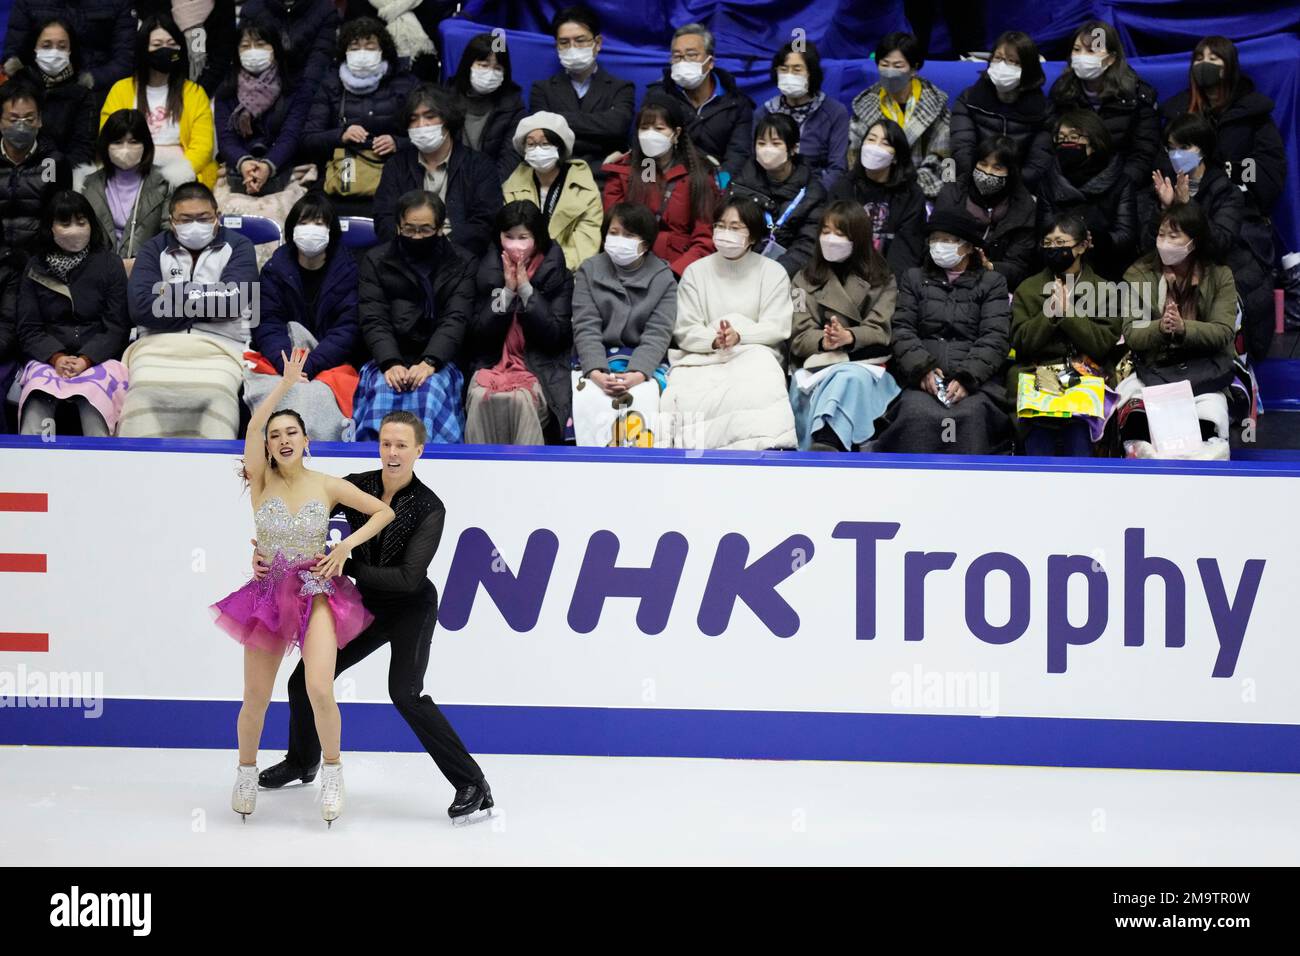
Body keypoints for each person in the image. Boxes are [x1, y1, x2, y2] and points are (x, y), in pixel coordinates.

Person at [256, 409, 497, 826]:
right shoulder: (356, 485)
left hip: (409, 607)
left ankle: (473, 783)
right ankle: (302, 761)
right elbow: (299, 514)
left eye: (402, 445)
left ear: (418, 451)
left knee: (405, 694)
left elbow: (407, 578)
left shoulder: (428, 507)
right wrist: (265, 554)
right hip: (363, 605)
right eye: (386, 443)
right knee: (303, 681)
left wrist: (342, 562)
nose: (392, 452)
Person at [212, 347, 394, 825]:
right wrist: (283, 385)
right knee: (255, 698)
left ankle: (332, 772)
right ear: (268, 446)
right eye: (276, 435)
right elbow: (252, 427)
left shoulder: (327, 484)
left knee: (319, 687)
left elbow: (383, 512)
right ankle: (245, 772)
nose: (282, 439)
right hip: (268, 593)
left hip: (316, 592)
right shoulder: (260, 484)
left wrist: (343, 548)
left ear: (306, 439)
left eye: (292, 432)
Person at [120, 181, 257, 438]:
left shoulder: (239, 246)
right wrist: (210, 298)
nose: (195, 225)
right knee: (142, 392)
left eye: (203, 217)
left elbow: (234, 302)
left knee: (217, 393)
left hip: (221, 348)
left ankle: (214, 468)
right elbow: (140, 307)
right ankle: (139, 467)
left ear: (217, 216)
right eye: (186, 219)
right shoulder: (154, 248)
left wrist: (167, 295)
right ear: (172, 221)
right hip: (155, 346)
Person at [869, 210, 1011, 455]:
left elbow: (995, 337)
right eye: (935, 239)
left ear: (967, 247)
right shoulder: (913, 278)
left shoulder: (992, 282)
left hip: (975, 383)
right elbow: (903, 329)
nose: (939, 246)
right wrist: (922, 369)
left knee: (970, 415)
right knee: (916, 414)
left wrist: (968, 378)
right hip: (922, 381)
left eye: (947, 240)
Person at [660, 195, 796, 450]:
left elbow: (777, 326)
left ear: (753, 236)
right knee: (685, 394)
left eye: (735, 228)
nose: (725, 233)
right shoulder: (695, 272)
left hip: (753, 353)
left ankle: (764, 452)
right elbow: (685, 329)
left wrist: (739, 335)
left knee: (758, 384)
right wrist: (714, 340)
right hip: (702, 355)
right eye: (720, 226)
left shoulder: (773, 272)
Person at [1150, 112, 1274, 361]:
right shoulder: (1162, 186)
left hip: (1223, 270)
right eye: (1170, 148)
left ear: (1203, 149)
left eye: (1184, 147)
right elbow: (1145, 245)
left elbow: (1220, 243)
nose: (1176, 155)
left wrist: (1186, 209)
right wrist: (1166, 210)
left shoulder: (1228, 192)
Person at [355, 190, 475, 444]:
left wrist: (430, 361)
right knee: (383, 392)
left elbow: (455, 318)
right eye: (409, 229)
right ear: (398, 226)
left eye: (425, 230)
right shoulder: (376, 261)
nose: (417, 236)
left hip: (438, 361)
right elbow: (373, 317)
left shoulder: (462, 262)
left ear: (440, 228)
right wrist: (390, 362)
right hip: (386, 359)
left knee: (428, 392)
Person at [1119, 202, 1238, 443]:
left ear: (1193, 241)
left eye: (1174, 236)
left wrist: (1184, 328)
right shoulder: (1138, 274)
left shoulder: (1220, 276)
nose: (1164, 242)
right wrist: (1160, 328)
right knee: (1136, 424)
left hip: (1206, 369)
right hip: (1153, 369)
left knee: (1209, 425)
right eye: (1161, 235)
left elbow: (1224, 331)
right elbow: (1132, 332)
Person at [15, 191, 129, 438]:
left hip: (101, 358)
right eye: (65, 223)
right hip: (48, 359)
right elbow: (29, 328)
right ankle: (34, 467)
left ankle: (102, 465)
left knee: (93, 402)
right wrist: (56, 358)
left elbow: (117, 326)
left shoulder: (110, 264)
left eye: (81, 222)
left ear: (91, 224)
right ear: (51, 228)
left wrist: (86, 359)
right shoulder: (35, 267)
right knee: (37, 398)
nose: (74, 229)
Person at [1008, 213, 1123, 456]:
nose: (1053, 249)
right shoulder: (1027, 289)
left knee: (1078, 431)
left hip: (1087, 372)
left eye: (1061, 243)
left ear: (1081, 246)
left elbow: (1102, 344)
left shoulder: (1104, 290)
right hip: (1037, 372)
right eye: (1048, 243)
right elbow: (1021, 342)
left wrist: (1068, 314)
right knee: (1039, 430)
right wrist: (1050, 314)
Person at [789, 201, 900, 452]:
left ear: (858, 238)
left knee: (849, 377)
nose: (830, 239)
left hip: (865, 365)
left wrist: (848, 336)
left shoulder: (883, 278)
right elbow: (798, 334)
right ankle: (830, 441)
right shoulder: (800, 279)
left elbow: (881, 329)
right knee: (839, 378)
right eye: (825, 232)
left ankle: (828, 440)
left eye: (840, 233)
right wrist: (824, 341)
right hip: (815, 365)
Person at [251, 192, 361, 441]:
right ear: (291, 229)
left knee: (315, 397)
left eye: (319, 223)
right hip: (282, 362)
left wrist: (308, 365)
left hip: (330, 363)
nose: (310, 229)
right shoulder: (273, 270)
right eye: (303, 222)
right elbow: (267, 324)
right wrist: (287, 366)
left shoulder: (349, 271)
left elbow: (347, 329)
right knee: (277, 395)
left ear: (331, 230)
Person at [464, 201, 573, 446]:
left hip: (540, 366)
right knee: (482, 395)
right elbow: (479, 335)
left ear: (538, 238)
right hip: (492, 363)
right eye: (508, 237)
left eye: (523, 237)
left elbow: (555, 335)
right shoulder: (486, 273)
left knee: (520, 400)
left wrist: (526, 291)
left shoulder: (558, 276)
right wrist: (507, 293)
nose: (516, 245)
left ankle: (526, 473)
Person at [571, 203, 677, 447]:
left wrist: (638, 373)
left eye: (629, 235)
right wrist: (596, 371)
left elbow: (658, 333)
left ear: (646, 243)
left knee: (642, 398)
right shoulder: (590, 270)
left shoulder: (663, 278)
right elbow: (586, 325)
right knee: (590, 398)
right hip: (596, 359)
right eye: (614, 232)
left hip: (642, 362)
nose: (620, 240)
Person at [1159, 36, 1286, 223]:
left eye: (1213, 58)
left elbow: (1268, 166)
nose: (1204, 64)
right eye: (1199, 58)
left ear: (1229, 66)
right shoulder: (1178, 111)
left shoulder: (1253, 112)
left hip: (1240, 211)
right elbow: (1163, 161)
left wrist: (1226, 171)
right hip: (1186, 208)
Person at [301, 17, 418, 214]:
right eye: (355, 47)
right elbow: (307, 139)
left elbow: (429, 135)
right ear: (344, 52)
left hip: (394, 174)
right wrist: (341, 135)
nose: (362, 53)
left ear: (383, 50)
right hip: (342, 178)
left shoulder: (405, 83)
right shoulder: (331, 84)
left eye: (370, 46)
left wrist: (397, 143)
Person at [372, 84, 503, 257]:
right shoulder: (396, 165)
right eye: (414, 119)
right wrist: (411, 246)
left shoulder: (479, 165)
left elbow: (484, 221)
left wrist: (445, 249)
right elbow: (384, 218)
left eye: (430, 116)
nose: (421, 125)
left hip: (460, 258)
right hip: (406, 255)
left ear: (447, 119)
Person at [601, 95, 719, 278]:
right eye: (644, 128)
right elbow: (613, 229)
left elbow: (704, 239)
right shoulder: (622, 171)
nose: (650, 134)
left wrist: (673, 274)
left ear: (676, 133)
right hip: (628, 269)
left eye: (659, 128)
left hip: (679, 273)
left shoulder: (699, 176)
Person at [99, 14, 218, 187]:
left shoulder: (195, 93)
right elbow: (108, 136)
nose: (166, 50)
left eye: (172, 44)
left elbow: (203, 146)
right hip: (129, 173)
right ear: (143, 49)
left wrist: (176, 176)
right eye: (157, 45)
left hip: (181, 179)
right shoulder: (121, 90)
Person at [1048, 21, 1159, 204]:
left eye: (1091, 51)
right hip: (1069, 184)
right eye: (1077, 50)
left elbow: (1143, 154)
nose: (1082, 57)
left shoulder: (1137, 96)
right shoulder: (1062, 92)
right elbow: (1049, 143)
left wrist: (1117, 187)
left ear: (1111, 58)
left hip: (1119, 188)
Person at [528, 5, 635, 191]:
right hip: (554, 178)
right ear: (557, 46)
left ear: (598, 43)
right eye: (564, 42)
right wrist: (600, 131)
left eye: (580, 40)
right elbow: (545, 135)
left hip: (605, 180)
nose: (572, 48)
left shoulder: (621, 88)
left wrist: (558, 119)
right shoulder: (541, 89)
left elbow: (617, 128)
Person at [213, 15, 313, 198]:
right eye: (245, 46)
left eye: (260, 44)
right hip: (238, 170)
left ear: (275, 48)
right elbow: (226, 139)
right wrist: (244, 164)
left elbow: (291, 135)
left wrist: (268, 165)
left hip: (283, 168)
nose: (253, 51)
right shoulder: (226, 90)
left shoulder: (295, 87)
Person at [1034, 110, 1136, 281]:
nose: (1066, 143)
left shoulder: (1121, 182)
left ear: (1095, 142)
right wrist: (1063, 243)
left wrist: (1093, 239)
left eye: (1074, 137)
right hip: (1058, 268)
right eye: (1061, 138)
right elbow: (1041, 236)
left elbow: (1126, 236)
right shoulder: (1048, 182)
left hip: (1108, 269)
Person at [847, 32, 951, 199]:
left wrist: (905, 188)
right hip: (873, 189)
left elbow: (941, 158)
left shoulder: (936, 106)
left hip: (921, 193)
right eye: (884, 64)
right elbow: (854, 156)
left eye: (898, 66)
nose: (889, 72)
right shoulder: (864, 107)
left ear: (914, 68)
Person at [644, 22, 754, 177]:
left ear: (710, 62)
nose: (683, 62)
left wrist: (720, 183)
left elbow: (738, 154)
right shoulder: (658, 96)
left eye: (691, 55)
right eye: (677, 56)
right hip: (669, 180)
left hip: (718, 182)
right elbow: (649, 146)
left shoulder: (737, 103)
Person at [725, 112, 827, 278]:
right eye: (761, 143)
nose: (767, 150)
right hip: (738, 267)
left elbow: (806, 245)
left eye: (776, 143)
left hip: (785, 276)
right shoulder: (740, 182)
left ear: (794, 148)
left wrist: (773, 275)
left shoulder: (812, 193)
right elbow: (727, 227)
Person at [81, 110, 182, 276]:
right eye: (118, 142)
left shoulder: (167, 183)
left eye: (133, 142)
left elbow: (170, 234)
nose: (125, 149)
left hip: (150, 272)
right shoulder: (87, 185)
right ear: (105, 145)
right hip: (99, 274)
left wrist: (142, 263)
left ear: (146, 144)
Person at [949, 30, 1052, 190]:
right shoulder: (969, 100)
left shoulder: (1044, 110)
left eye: (1013, 62)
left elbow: (1038, 163)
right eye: (998, 58)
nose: (1003, 66)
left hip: (1021, 187)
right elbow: (962, 148)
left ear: (1028, 68)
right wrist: (982, 180)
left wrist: (1008, 184)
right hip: (972, 181)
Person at [932, 135, 1037, 290]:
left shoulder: (1024, 207)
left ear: (1011, 172)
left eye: (997, 167)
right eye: (983, 164)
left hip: (993, 285)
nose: (987, 172)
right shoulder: (952, 193)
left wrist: (989, 266)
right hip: (945, 278)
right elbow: (932, 244)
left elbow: (1019, 268)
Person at [502, 112, 602, 271]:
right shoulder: (512, 185)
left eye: (545, 144)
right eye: (531, 144)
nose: (538, 150)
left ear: (560, 147)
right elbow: (506, 234)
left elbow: (585, 247)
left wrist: (547, 270)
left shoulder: (585, 189)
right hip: (519, 267)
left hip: (568, 272)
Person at [828, 118, 926, 275]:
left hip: (889, 278)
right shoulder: (844, 187)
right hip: (845, 273)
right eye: (871, 139)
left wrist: (889, 289)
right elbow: (832, 239)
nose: (875, 147)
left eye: (885, 143)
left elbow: (906, 252)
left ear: (895, 157)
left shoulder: (912, 195)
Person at [753, 38, 850, 190]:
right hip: (771, 190)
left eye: (797, 69)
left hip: (817, 192)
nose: (789, 75)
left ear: (811, 73)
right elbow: (753, 165)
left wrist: (811, 196)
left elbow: (837, 169)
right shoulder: (764, 113)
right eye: (784, 70)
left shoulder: (835, 112)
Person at [2, 0, 135, 97]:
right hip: (35, 93)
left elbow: (125, 60)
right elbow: (14, 54)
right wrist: (31, 81)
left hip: (95, 92)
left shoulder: (117, 3)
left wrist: (88, 81)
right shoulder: (29, 3)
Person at [11, 17, 95, 168]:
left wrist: (49, 176)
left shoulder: (82, 95)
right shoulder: (15, 87)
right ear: (34, 48)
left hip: (61, 176)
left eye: (62, 46)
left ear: (70, 51)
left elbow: (82, 149)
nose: (54, 52)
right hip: (16, 174)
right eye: (46, 45)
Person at [0, 81, 71, 260]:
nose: (21, 126)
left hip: (37, 262)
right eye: (13, 119)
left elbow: (59, 221)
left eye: (29, 119)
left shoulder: (55, 162)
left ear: (39, 120)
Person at [447, 31, 525, 182]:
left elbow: (510, 157)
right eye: (483, 65)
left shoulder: (513, 106)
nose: (490, 73)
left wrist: (487, 187)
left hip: (492, 182)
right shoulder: (446, 97)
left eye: (497, 68)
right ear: (468, 65)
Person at [131, 0, 236, 97]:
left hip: (207, 88)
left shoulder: (222, 3)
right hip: (158, 86)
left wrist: (198, 93)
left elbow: (223, 52)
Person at [238, 0, 340, 91]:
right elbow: (242, 48)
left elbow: (320, 55)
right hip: (259, 82)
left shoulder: (323, 8)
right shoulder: (253, 7)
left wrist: (306, 92)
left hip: (306, 85)